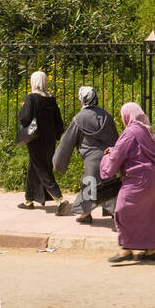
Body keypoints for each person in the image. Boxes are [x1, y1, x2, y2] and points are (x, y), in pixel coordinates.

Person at [99, 102, 155, 264]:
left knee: (122, 210)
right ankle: (151, 250)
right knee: (151, 213)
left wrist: (107, 159)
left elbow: (117, 156)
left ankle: (126, 249)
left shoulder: (130, 132)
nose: (122, 119)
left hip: (140, 180)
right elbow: (136, 152)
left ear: (127, 116)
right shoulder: (146, 130)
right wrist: (115, 150)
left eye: (122, 115)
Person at [53, 86, 121, 226]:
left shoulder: (79, 118)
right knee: (109, 183)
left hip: (91, 160)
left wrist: (58, 163)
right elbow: (115, 139)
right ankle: (115, 213)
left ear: (82, 99)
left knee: (89, 184)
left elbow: (67, 141)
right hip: (107, 157)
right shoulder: (106, 115)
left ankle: (85, 214)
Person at [16, 71, 64, 210]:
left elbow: (24, 119)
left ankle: (59, 199)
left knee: (42, 168)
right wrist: (58, 136)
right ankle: (28, 200)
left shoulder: (31, 98)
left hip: (35, 140)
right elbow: (58, 122)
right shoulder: (51, 99)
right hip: (49, 141)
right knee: (34, 167)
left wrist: (23, 106)